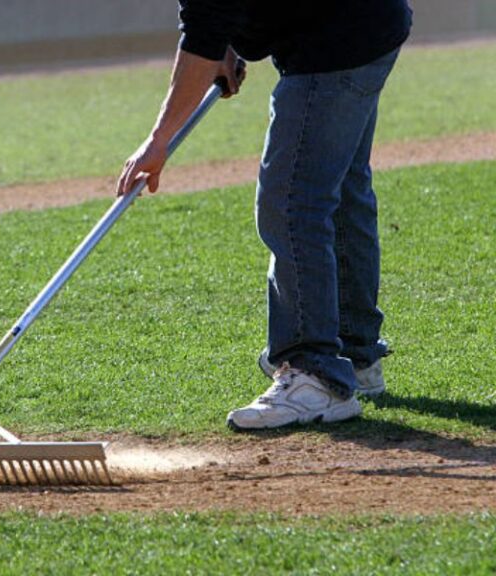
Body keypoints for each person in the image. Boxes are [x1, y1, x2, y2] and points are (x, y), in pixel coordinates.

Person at [116, 1, 412, 429]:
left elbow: (204, 27)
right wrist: (228, 44)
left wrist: (159, 139)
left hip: (337, 42)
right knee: (341, 192)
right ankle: (352, 356)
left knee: (292, 201)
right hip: (365, 25)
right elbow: (216, 18)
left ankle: (314, 373)